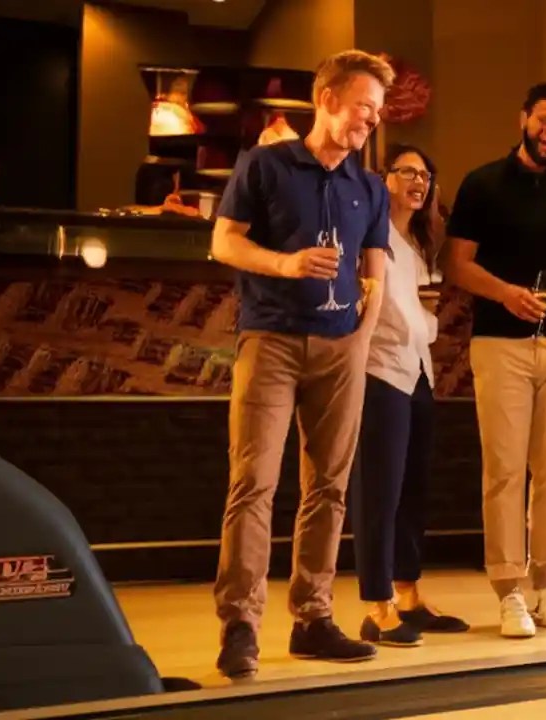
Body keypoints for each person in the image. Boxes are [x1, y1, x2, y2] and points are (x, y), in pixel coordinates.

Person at [209, 50, 394, 678]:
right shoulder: (265, 166)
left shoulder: (369, 188)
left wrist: (361, 339)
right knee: (254, 482)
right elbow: (223, 241)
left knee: (329, 487)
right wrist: (285, 264)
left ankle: (313, 617)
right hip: (272, 340)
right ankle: (240, 623)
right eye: (364, 106)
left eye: (378, 111)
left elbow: (376, 272)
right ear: (328, 98)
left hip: (341, 347)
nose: (372, 119)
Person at [444, 82, 546, 638]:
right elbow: (457, 265)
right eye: (544, 120)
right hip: (499, 344)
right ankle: (509, 590)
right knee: (505, 471)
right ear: (524, 119)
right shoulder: (482, 184)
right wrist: (505, 293)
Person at [350, 143, 469, 648]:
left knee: (413, 489)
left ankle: (409, 593)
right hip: (379, 370)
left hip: (418, 371)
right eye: (407, 173)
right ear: (383, 179)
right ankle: (377, 606)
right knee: (380, 492)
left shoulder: (418, 245)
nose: (418, 183)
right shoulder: (369, 237)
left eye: (426, 175)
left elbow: (424, 315)